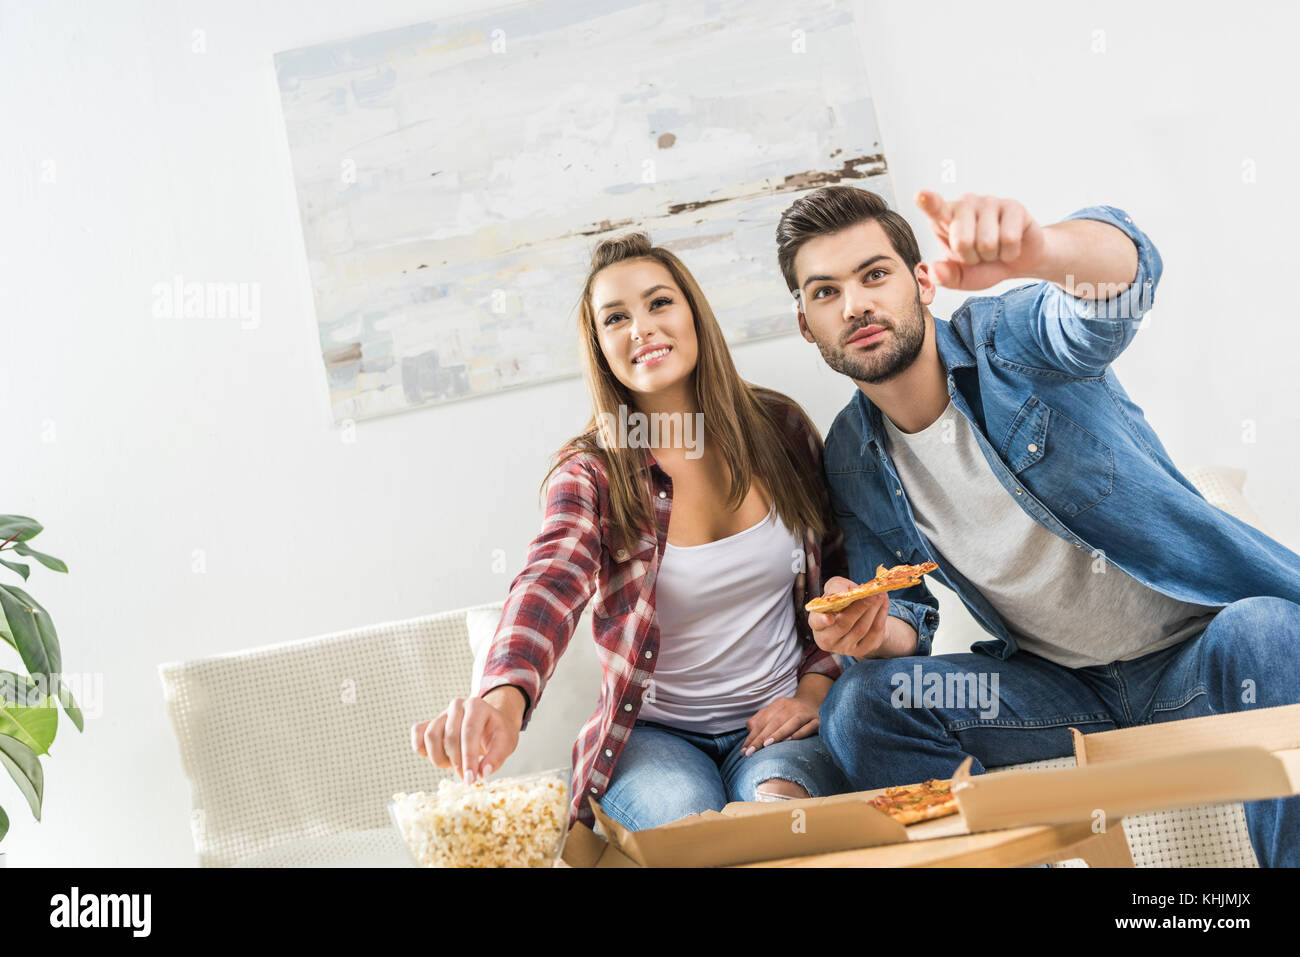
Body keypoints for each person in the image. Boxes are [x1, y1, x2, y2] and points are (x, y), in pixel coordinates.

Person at [778, 185, 1300, 866]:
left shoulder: (1010, 340)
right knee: (866, 702)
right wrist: (871, 629)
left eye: (874, 274)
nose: (855, 305)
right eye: (825, 292)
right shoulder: (851, 452)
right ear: (805, 325)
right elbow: (905, 614)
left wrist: (1041, 250)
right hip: (1058, 693)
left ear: (922, 281)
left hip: (1198, 658)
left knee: (1266, 628)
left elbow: (1123, 290)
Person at [411, 232, 851, 832]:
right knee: (682, 828)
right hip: (655, 737)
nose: (640, 327)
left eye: (659, 303)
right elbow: (549, 580)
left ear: (693, 313)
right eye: (616, 317)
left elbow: (839, 579)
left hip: (783, 720)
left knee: (778, 812)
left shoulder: (781, 430)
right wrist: (501, 701)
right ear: (601, 346)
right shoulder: (591, 470)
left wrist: (813, 695)